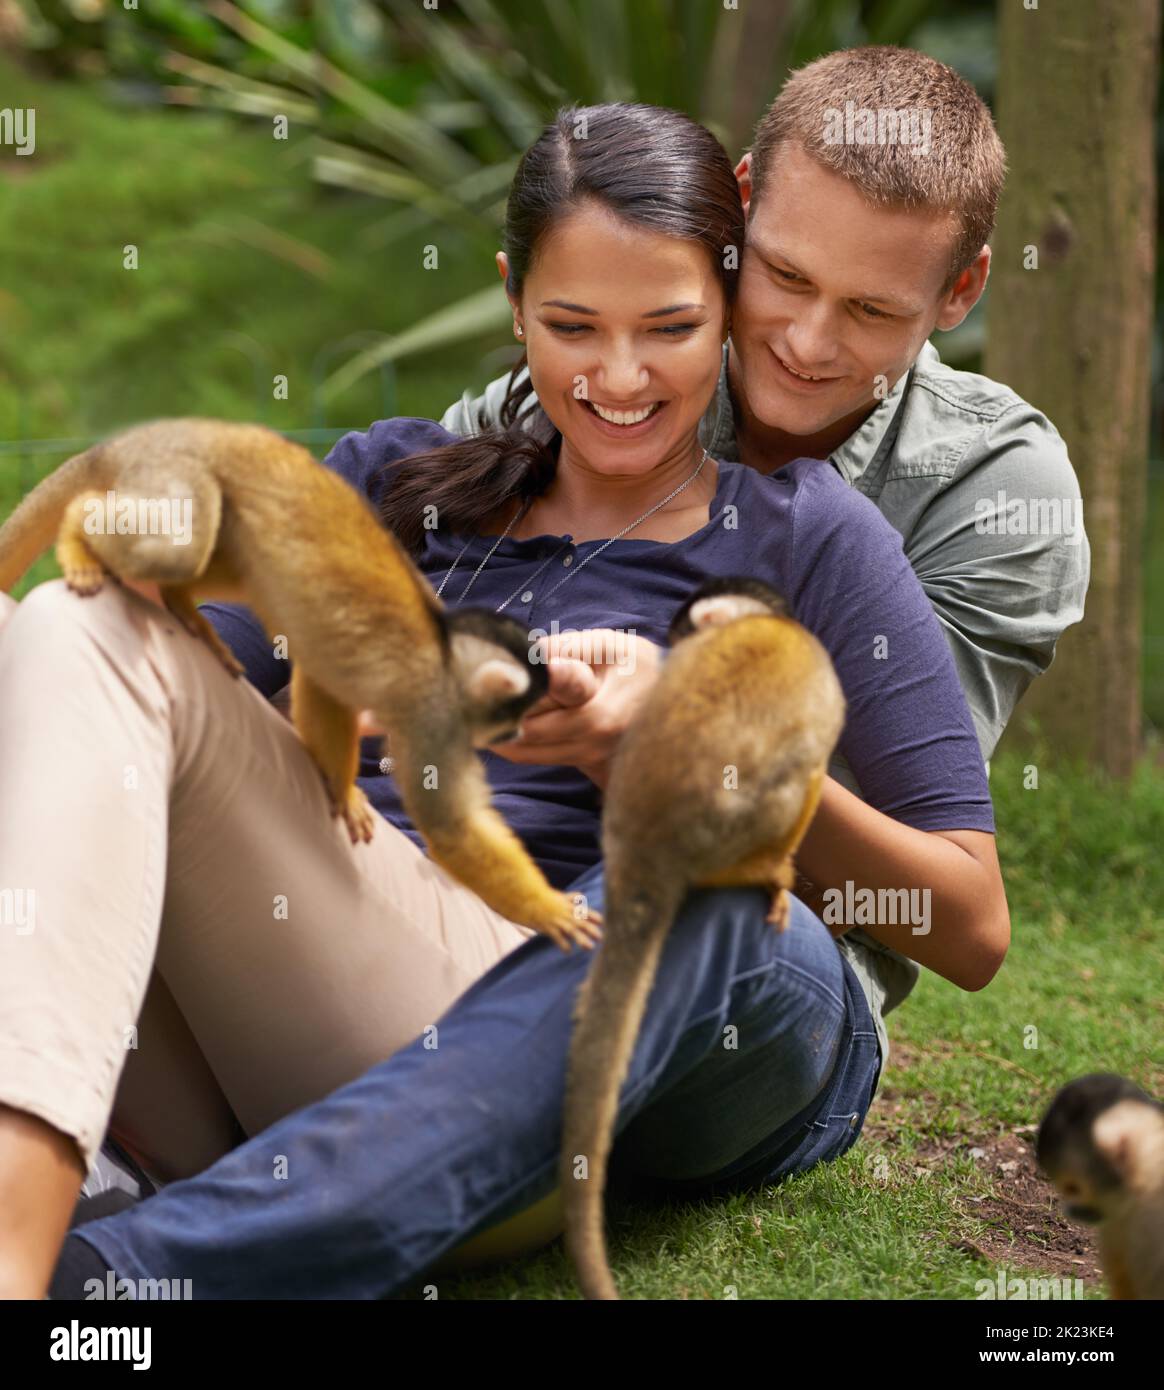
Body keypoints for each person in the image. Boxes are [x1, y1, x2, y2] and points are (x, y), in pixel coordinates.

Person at [2, 52, 1075, 1304]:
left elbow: (959, 918)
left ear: (957, 296)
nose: (803, 339)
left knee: (707, 872)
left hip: (712, 985)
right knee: (69, 627)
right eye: (782, 280)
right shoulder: (436, 463)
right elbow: (163, 690)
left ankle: (121, 1282)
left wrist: (674, 747)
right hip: (353, 967)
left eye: (666, 330)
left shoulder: (863, 521)